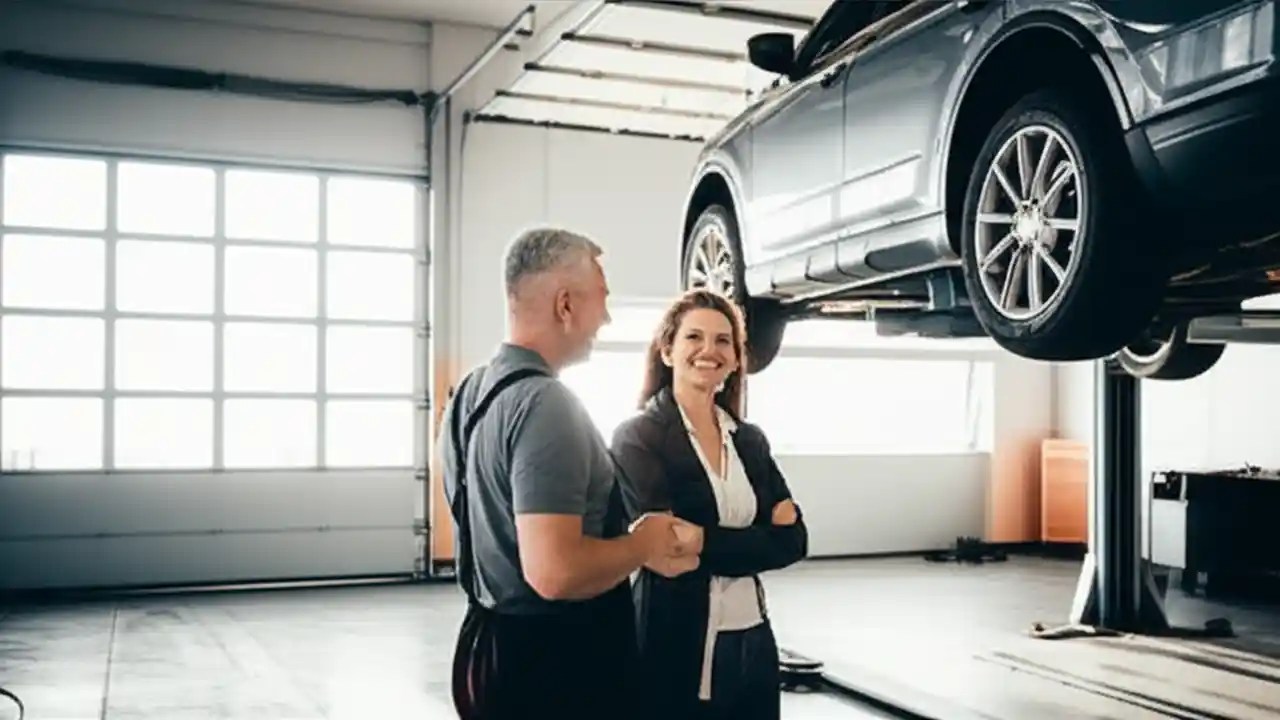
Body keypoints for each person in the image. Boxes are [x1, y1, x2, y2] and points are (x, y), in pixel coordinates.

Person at [437, 227, 701, 720]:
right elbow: (555, 573)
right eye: (602, 297)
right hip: (556, 669)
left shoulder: (470, 392)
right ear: (565, 304)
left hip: (487, 648)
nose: (606, 316)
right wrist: (644, 544)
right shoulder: (545, 405)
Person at [610, 288, 809, 720]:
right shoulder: (637, 437)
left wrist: (701, 540)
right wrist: (758, 538)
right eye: (693, 337)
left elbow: (794, 541)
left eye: (723, 341)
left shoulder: (750, 441)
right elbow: (666, 551)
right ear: (667, 351)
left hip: (753, 641)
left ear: (736, 359)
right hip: (674, 642)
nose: (709, 350)